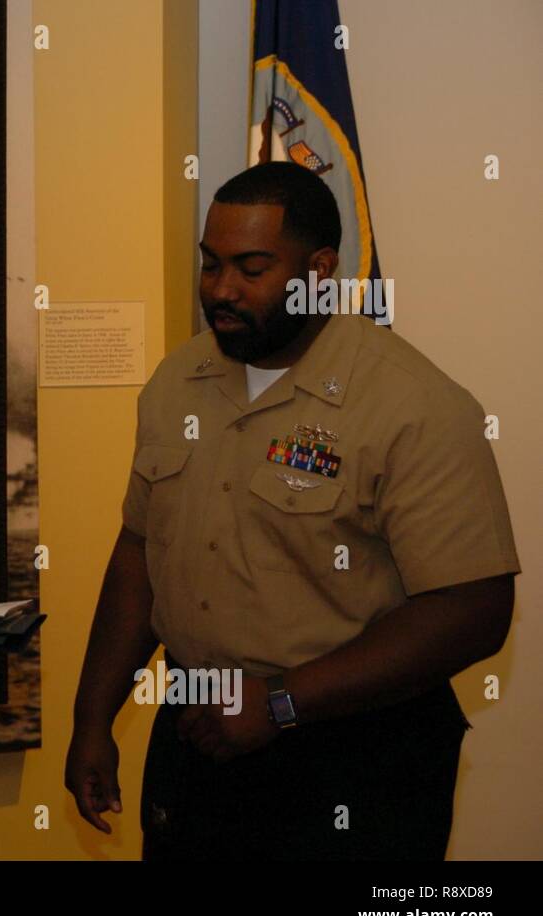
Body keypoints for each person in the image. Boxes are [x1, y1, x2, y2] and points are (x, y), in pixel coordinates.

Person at [65, 161, 518, 860]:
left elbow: (474, 608)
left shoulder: (412, 405)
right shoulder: (176, 384)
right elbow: (140, 554)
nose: (221, 290)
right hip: (197, 732)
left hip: (355, 752)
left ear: (320, 268)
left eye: (251, 268)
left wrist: (282, 701)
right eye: (210, 265)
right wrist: (93, 716)